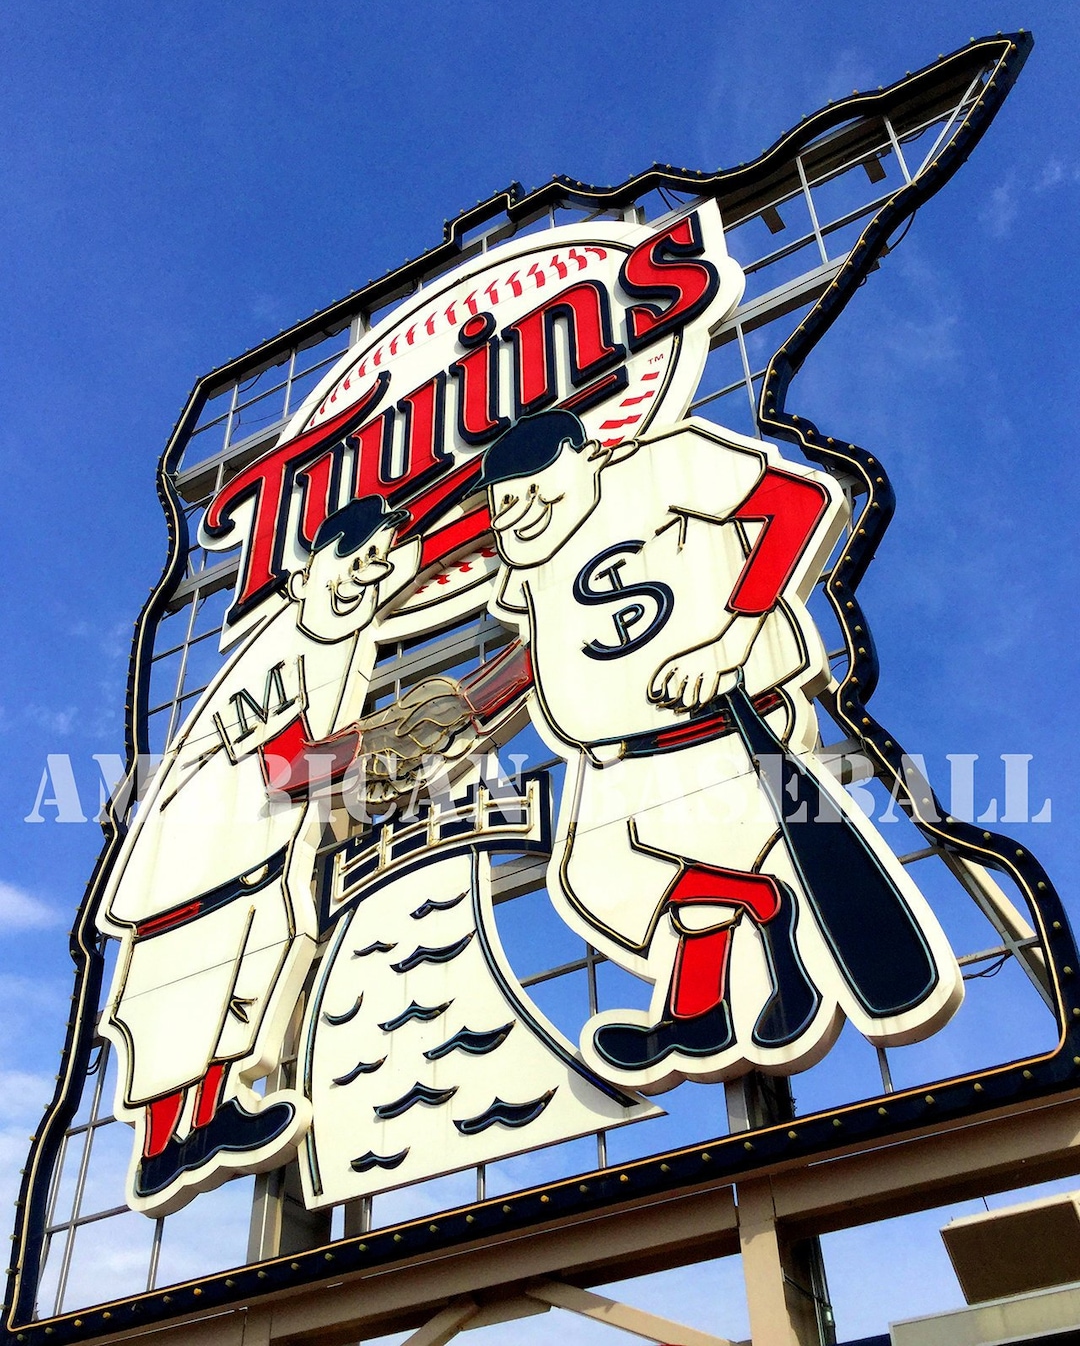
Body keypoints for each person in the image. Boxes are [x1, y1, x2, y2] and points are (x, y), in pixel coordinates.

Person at [476, 409, 964, 1092]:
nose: (523, 513)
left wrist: (732, 639)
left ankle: (719, 984)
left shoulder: (665, 462)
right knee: (600, 883)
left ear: (587, 457)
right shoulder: (528, 558)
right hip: (613, 756)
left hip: (725, 726)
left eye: (538, 491)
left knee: (671, 864)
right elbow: (544, 650)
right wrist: (462, 710)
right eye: (507, 504)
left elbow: (798, 504)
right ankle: (724, 977)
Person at [97, 496, 422, 1213]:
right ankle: (159, 1150)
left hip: (259, 852)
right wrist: (383, 740)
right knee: (185, 997)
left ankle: (211, 1118)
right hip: (195, 865)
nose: (361, 580)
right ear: (311, 572)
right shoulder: (281, 649)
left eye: (375, 567)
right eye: (351, 562)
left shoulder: (332, 644)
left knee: (257, 973)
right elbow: (285, 767)